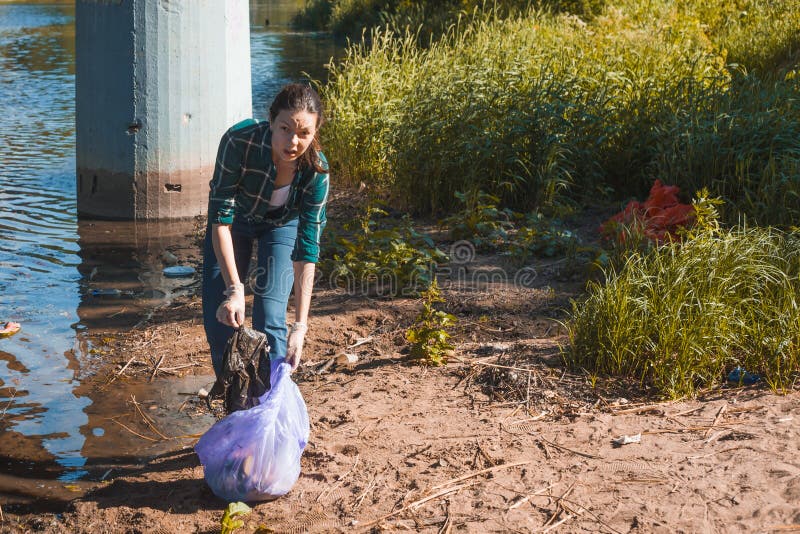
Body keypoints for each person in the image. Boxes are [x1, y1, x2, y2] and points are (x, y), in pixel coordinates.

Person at [202, 83, 329, 377]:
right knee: (221, 314)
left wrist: (300, 326)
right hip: (234, 224)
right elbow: (220, 219)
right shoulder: (238, 141)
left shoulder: (316, 172)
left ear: (315, 132)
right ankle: (231, 393)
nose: (293, 142)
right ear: (271, 121)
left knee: (271, 318)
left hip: (282, 226)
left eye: (304, 133)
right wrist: (235, 289)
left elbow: (307, 249)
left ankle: (270, 395)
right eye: (285, 129)